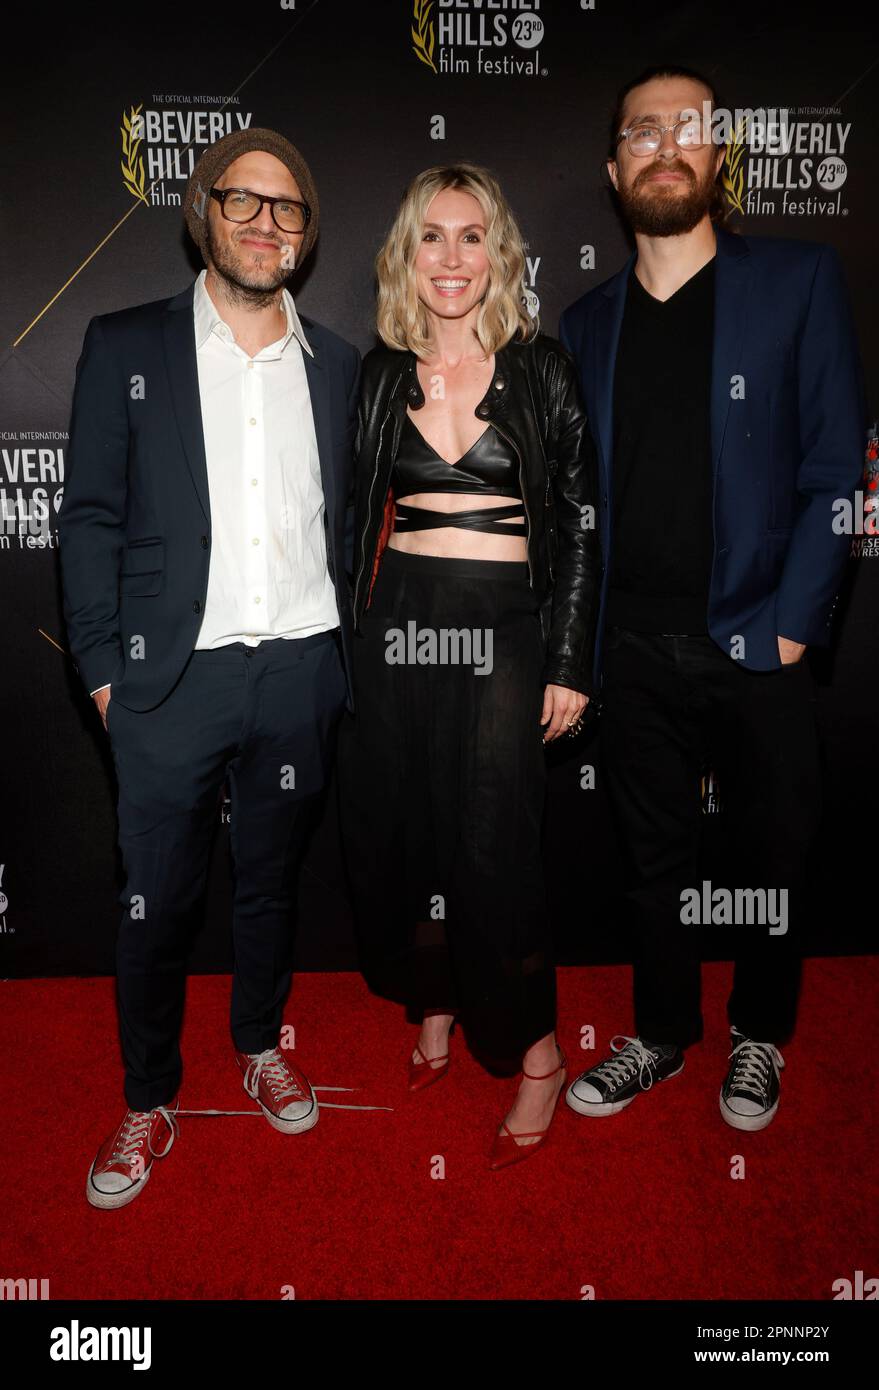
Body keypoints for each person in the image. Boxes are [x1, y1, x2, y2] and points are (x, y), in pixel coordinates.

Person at [58, 128, 361, 1208]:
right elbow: (88, 516)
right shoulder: (125, 344)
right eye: (244, 200)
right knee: (157, 900)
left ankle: (258, 1040)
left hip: (298, 672)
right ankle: (148, 1097)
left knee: (271, 884)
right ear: (205, 210)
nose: (265, 222)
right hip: (167, 683)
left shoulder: (338, 365)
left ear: (305, 232)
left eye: (287, 207)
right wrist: (102, 669)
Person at [560, 66, 864, 1130]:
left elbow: (837, 472)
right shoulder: (585, 322)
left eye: (689, 127)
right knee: (651, 858)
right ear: (615, 167)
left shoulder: (796, 281)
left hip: (756, 636)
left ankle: (758, 1036)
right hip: (631, 645)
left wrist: (791, 625)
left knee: (771, 854)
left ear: (718, 153)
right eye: (643, 130)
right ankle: (661, 1032)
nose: (666, 144)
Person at [339, 163, 601, 1169]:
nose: (452, 258)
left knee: (494, 846)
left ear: (500, 253)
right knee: (409, 833)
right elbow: (356, 525)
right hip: (397, 622)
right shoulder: (378, 373)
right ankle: (435, 1004)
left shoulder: (543, 372)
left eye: (472, 235)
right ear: (410, 254)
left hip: (503, 627)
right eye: (432, 237)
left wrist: (569, 655)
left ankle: (536, 1052)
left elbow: (580, 528)